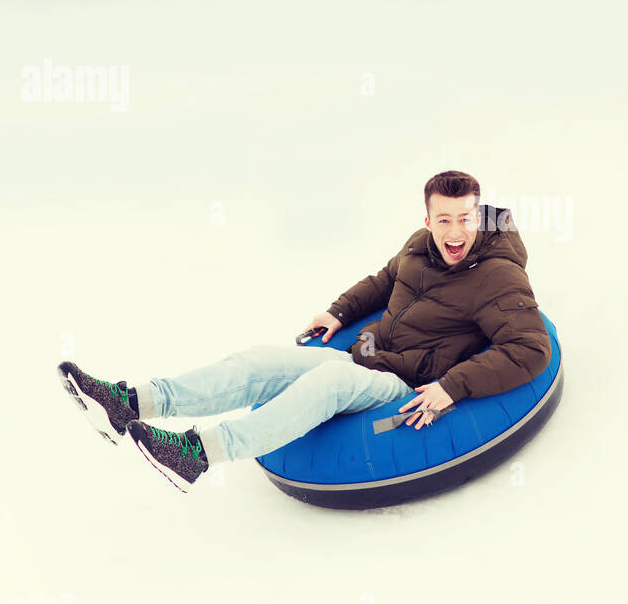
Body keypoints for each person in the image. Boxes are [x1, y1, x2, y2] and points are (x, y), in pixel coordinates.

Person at [57, 171, 551, 493]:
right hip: (366, 353)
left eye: (465, 218)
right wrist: (338, 312)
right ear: (427, 219)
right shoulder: (421, 245)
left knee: (325, 385)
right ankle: (130, 402)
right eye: (443, 219)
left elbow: (530, 348)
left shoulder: (497, 276)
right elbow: (385, 281)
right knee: (255, 362)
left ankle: (196, 454)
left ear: (478, 215)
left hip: (405, 382)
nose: (454, 232)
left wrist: (452, 387)